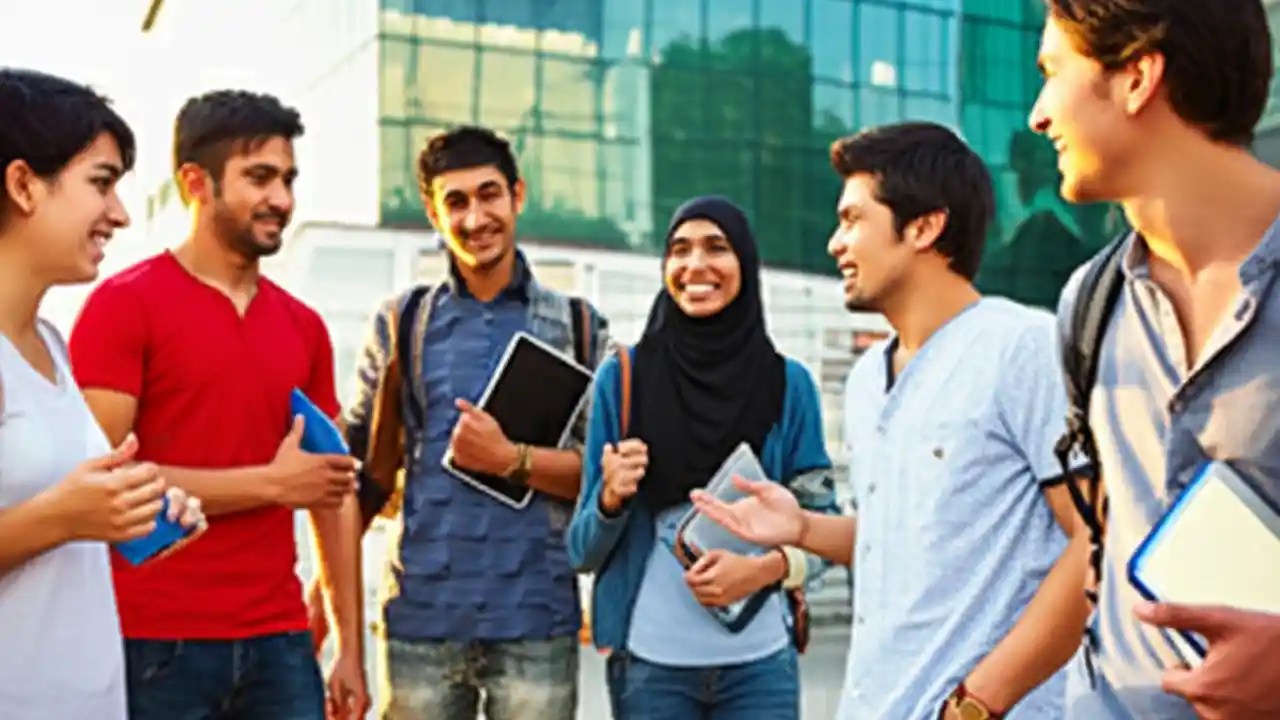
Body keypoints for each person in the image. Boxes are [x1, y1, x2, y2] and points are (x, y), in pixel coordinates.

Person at [691, 122, 1093, 719]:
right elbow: (899, 544)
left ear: (925, 227)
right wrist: (800, 525)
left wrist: (976, 704)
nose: (835, 242)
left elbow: (1098, 540)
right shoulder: (866, 380)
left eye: (854, 220)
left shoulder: (1020, 348)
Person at [68, 90, 369, 720]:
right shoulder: (124, 306)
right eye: (259, 178)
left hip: (281, 642)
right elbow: (100, 482)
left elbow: (329, 491)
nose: (282, 199)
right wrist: (269, 484)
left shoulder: (305, 327)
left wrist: (348, 647)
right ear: (195, 183)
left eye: (287, 179)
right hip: (155, 639)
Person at [1029, 1, 1280, 717]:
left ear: (1137, 76)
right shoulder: (1089, 302)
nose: (1038, 115)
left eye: (1053, 72)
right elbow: (1105, 541)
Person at [339, 125, 609, 720]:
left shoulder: (581, 328)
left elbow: (606, 478)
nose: (475, 216)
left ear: (518, 195)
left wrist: (512, 459)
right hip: (419, 623)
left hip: (537, 622)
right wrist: (323, 600)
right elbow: (360, 480)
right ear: (434, 216)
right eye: (455, 202)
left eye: (489, 195)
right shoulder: (399, 323)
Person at [566, 195, 839, 720]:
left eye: (717, 248)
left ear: (746, 264)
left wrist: (763, 570)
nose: (695, 266)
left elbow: (823, 528)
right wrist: (608, 498)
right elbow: (581, 552)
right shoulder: (621, 381)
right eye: (679, 250)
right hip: (649, 670)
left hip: (760, 669)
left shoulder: (789, 386)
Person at [0, 68, 204, 719]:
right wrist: (66, 515)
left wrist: (133, 512)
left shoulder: (54, 344)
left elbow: (59, 510)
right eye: (101, 182)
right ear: (23, 184)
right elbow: (55, 514)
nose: (118, 213)